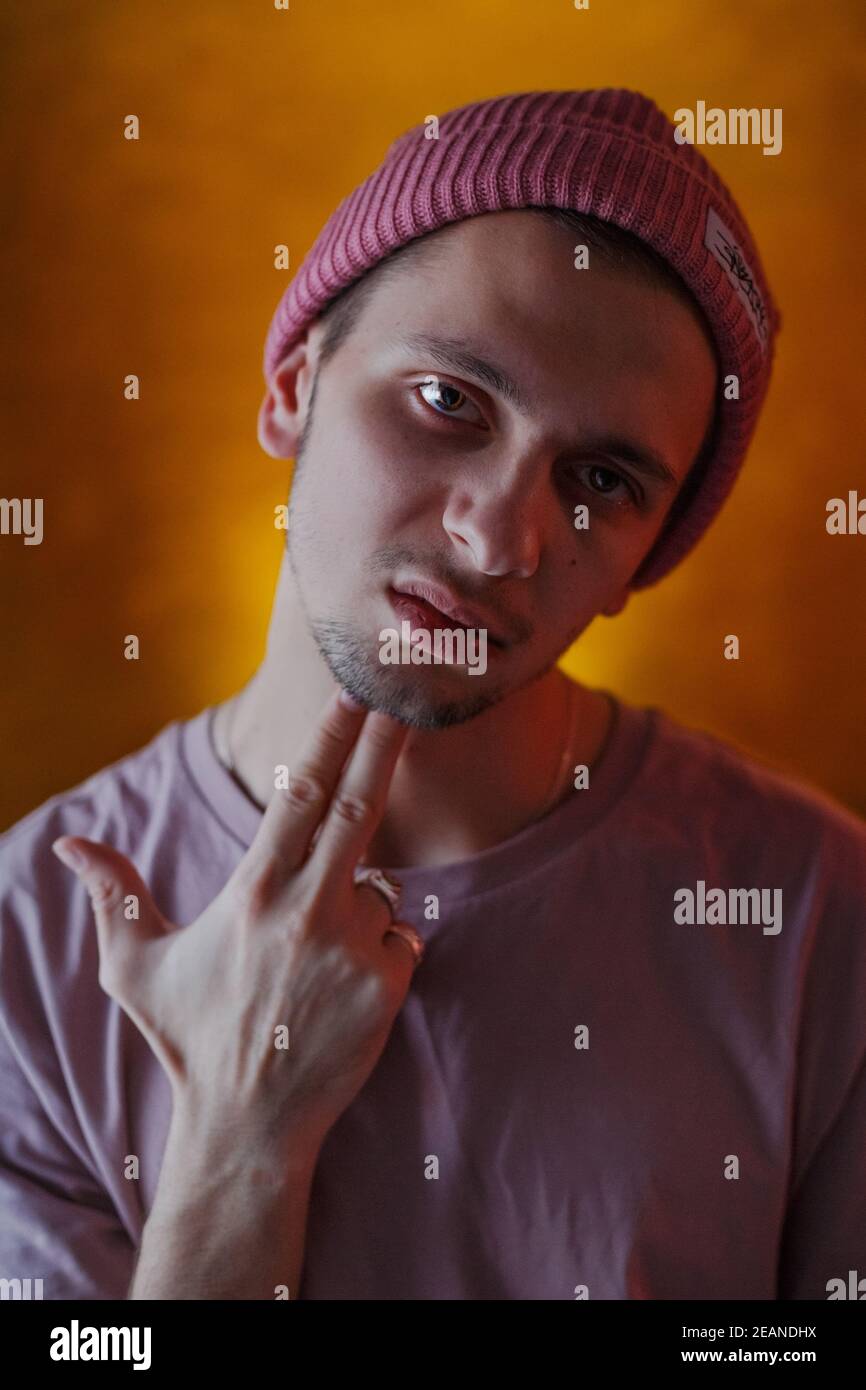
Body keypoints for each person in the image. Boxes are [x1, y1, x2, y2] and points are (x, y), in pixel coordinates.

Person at [1, 88, 864, 1302]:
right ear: (292, 387)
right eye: (449, 401)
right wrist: (240, 1149)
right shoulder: (24, 947)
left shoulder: (820, 920)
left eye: (600, 480)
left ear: (644, 561)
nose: (497, 535)